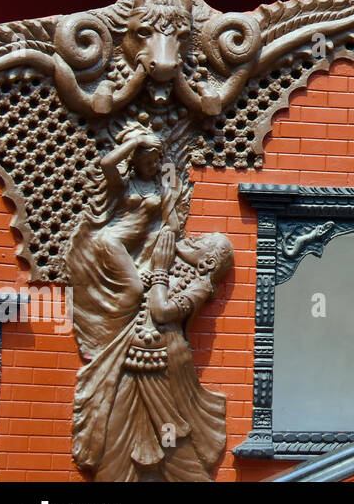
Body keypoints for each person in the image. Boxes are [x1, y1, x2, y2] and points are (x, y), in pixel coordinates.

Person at [69, 121, 232, 481]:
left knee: (138, 295)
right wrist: (134, 143)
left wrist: (184, 258)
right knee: (130, 292)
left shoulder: (163, 189)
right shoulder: (123, 183)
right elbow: (108, 166)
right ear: (138, 157)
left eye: (159, 157)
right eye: (150, 157)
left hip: (151, 309)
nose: (155, 163)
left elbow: (171, 230)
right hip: (109, 247)